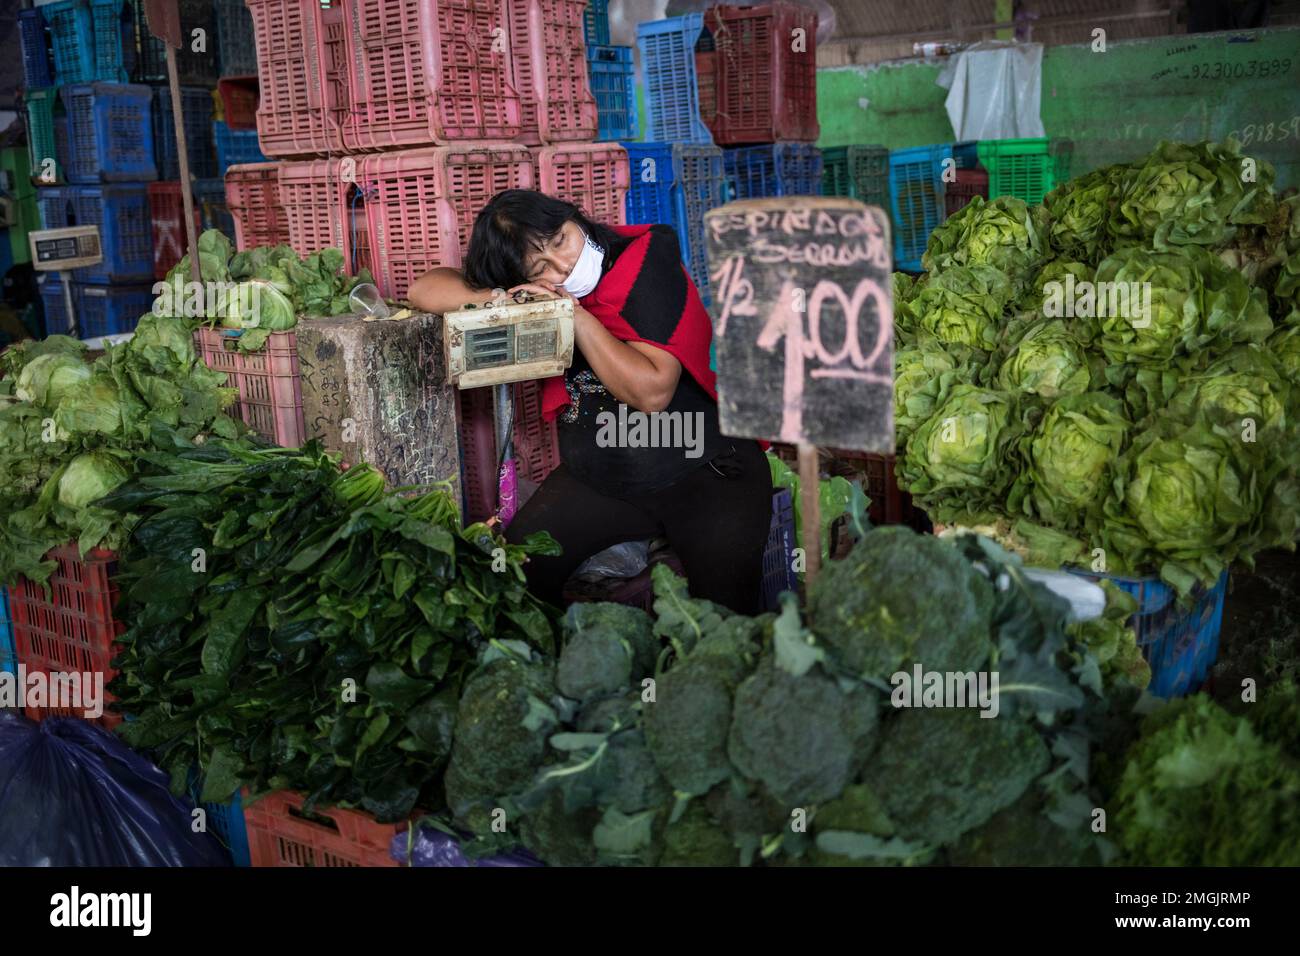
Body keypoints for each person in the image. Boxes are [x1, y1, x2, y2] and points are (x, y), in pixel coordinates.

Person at [409, 189, 773, 614]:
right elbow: (424, 288)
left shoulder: (646, 262)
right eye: (540, 267)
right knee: (516, 575)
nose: (563, 265)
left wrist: (575, 316)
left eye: (562, 240)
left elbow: (652, 392)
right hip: (607, 475)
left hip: (706, 472)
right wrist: (502, 300)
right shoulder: (532, 292)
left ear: (573, 218)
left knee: (726, 622)